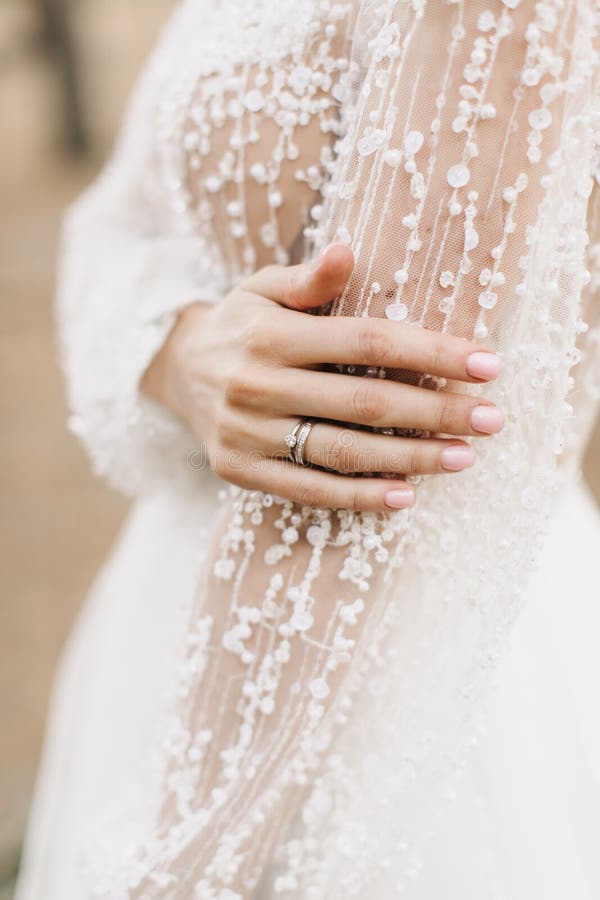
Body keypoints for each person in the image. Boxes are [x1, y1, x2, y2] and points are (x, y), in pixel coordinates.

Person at [15, 1, 600, 897]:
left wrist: (190, 857)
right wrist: (183, 353)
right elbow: (113, 225)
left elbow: (373, 444)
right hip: (165, 605)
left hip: (386, 639)